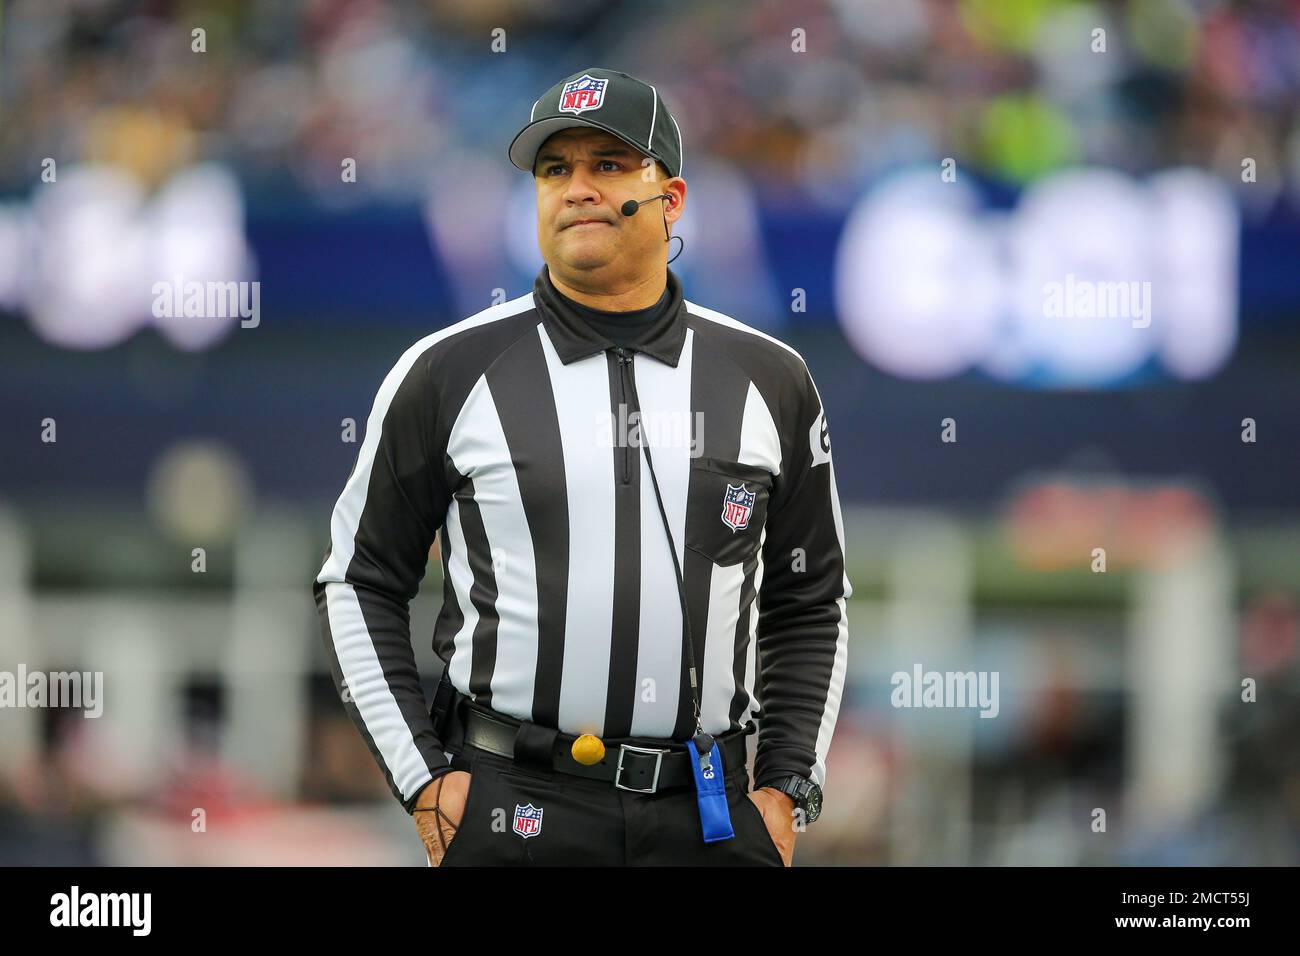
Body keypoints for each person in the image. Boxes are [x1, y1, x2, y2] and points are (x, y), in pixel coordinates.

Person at [314, 67, 851, 866]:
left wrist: (787, 786)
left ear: (670, 199)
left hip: (709, 810)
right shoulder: (447, 371)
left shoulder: (769, 377)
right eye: (554, 169)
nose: (577, 189)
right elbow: (358, 579)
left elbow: (810, 598)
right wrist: (423, 779)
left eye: (608, 164)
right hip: (513, 803)